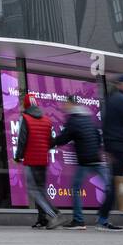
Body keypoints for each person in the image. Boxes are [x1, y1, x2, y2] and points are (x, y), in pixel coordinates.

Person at [14, 93, 67, 229]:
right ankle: (42, 219)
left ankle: (55, 215)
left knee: (33, 190)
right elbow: (50, 142)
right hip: (43, 160)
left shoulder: (25, 118)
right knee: (41, 190)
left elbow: (22, 139)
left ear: (26, 105)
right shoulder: (47, 120)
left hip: (31, 160)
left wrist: (18, 156)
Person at [51, 94, 103, 229]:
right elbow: (97, 136)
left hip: (85, 160)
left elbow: (63, 139)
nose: (63, 106)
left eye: (65, 104)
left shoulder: (73, 120)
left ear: (71, 104)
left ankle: (79, 220)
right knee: (108, 187)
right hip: (97, 158)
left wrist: (48, 143)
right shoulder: (88, 117)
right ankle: (104, 219)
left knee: (76, 189)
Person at [99, 76, 123, 230]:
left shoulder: (112, 99)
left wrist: (107, 148)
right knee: (119, 182)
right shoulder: (122, 101)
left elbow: (106, 125)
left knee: (118, 182)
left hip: (114, 146)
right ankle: (105, 217)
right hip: (120, 146)